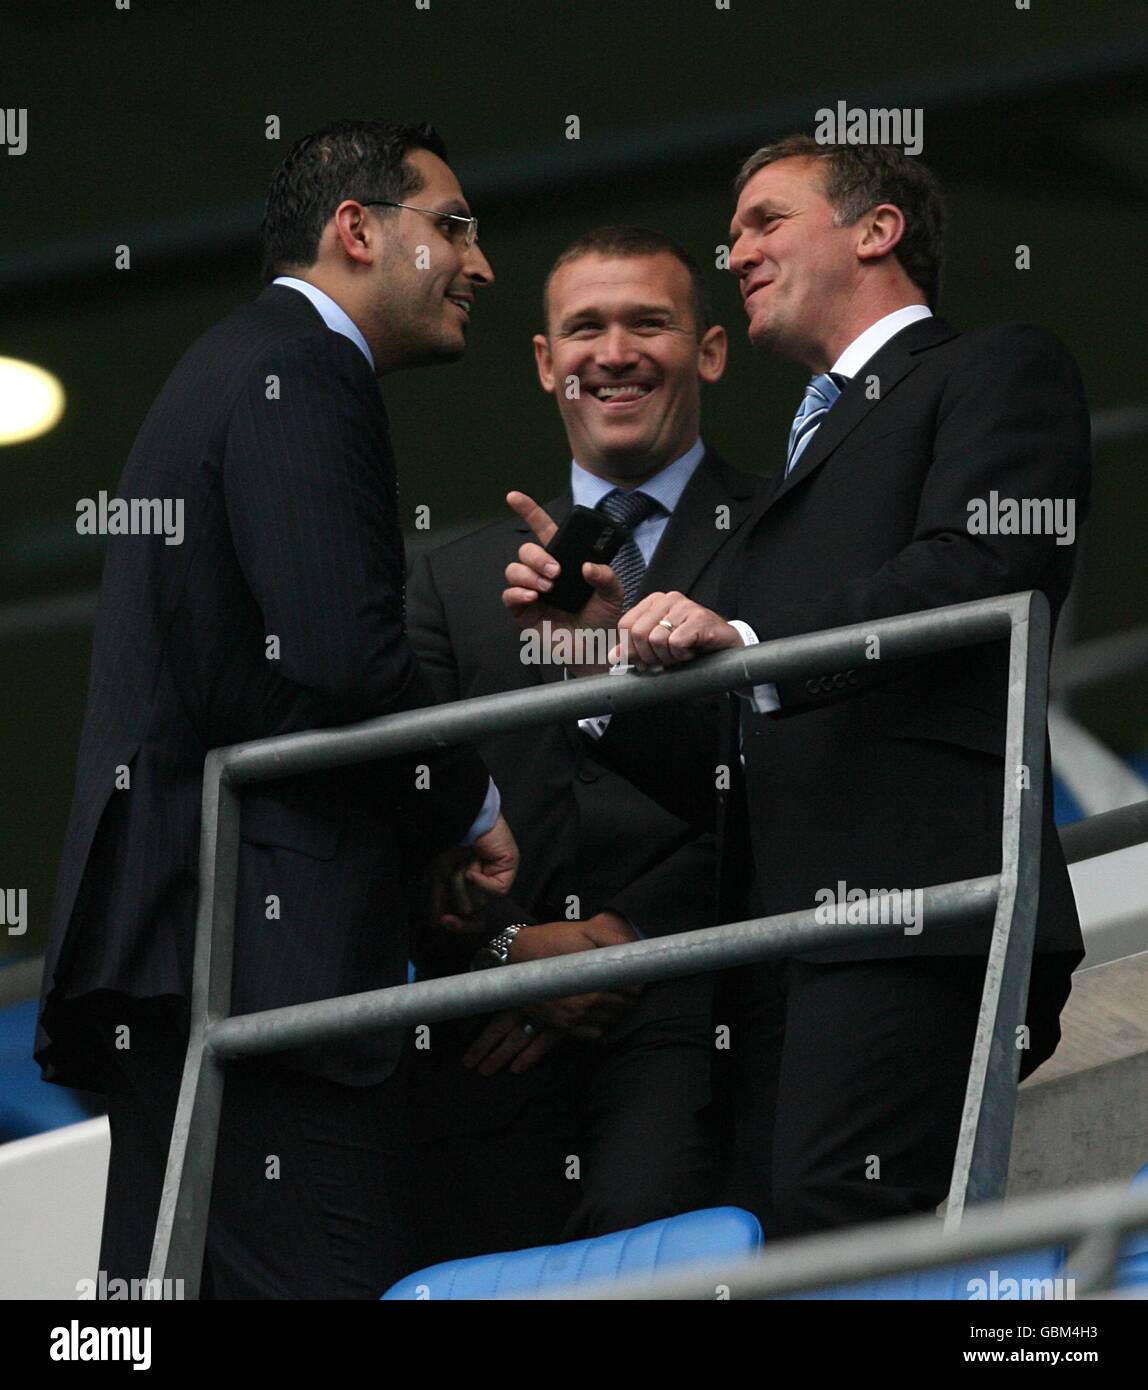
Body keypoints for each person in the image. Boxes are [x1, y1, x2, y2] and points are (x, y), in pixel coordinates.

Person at [504, 137, 1090, 1238]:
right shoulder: (793, 473)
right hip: (782, 952)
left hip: (911, 914)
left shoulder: (994, 366)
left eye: (765, 221)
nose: (735, 250)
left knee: (846, 1224)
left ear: (876, 231)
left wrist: (749, 633)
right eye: (731, 234)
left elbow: (981, 565)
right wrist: (591, 660)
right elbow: (738, 755)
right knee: (800, 1239)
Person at [36, 118, 518, 1298]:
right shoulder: (300, 366)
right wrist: (465, 809)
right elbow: (344, 658)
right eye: (451, 227)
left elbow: (259, 675)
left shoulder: (247, 362)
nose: (480, 262)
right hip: (256, 953)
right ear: (355, 230)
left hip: (196, 939)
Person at [406, 227, 765, 1264]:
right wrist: (511, 951)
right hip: (492, 1053)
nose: (613, 351)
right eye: (584, 327)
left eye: (647, 322)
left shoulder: (790, 530)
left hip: (709, 1021)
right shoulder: (451, 579)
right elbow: (416, 804)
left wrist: (621, 938)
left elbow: (809, 777)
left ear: (707, 350)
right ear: (541, 361)